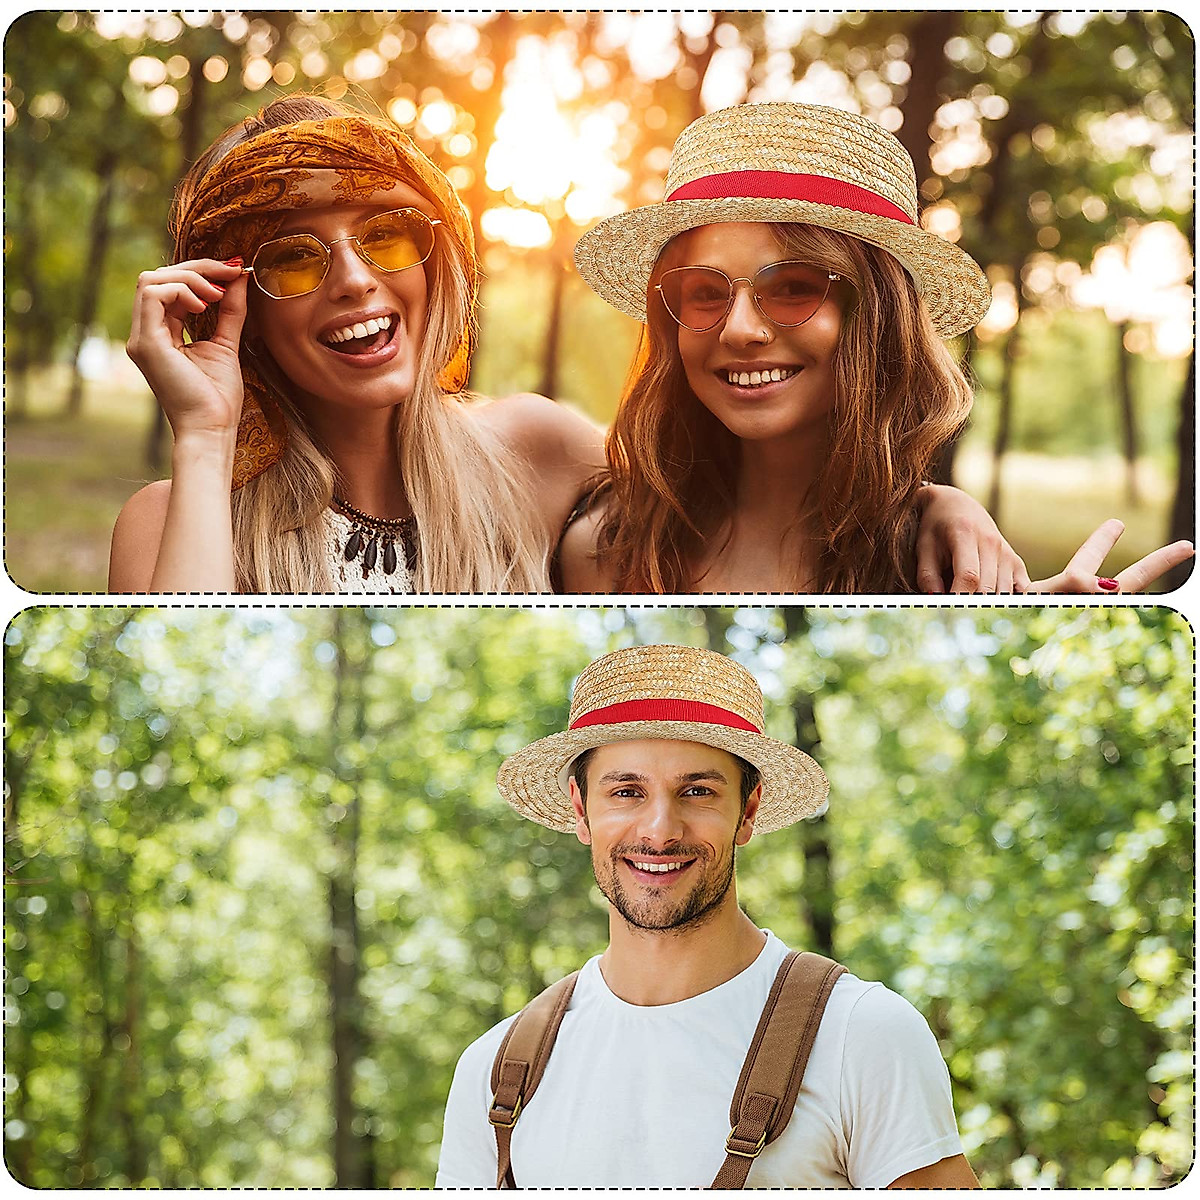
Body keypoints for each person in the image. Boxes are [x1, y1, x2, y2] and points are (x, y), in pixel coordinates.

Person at [109, 93, 1040, 595]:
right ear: (235, 303)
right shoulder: (174, 517)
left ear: (438, 260)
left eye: (388, 236)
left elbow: (732, 487)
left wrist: (929, 504)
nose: (356, 281)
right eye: (295, 260)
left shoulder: (537, 453)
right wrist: (203, 433)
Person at [561, 102, 1192, 593]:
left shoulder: (942, 564)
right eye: (703, 293)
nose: (739, 330)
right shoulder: (602, 549)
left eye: (792, 288)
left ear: (876, 317)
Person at [436, 643, 980, 1188]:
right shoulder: (496, 1073)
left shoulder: (861, 1035)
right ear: (582, 812)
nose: (660, 830)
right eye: (626, 792)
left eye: (697, 792)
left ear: (747, 811)